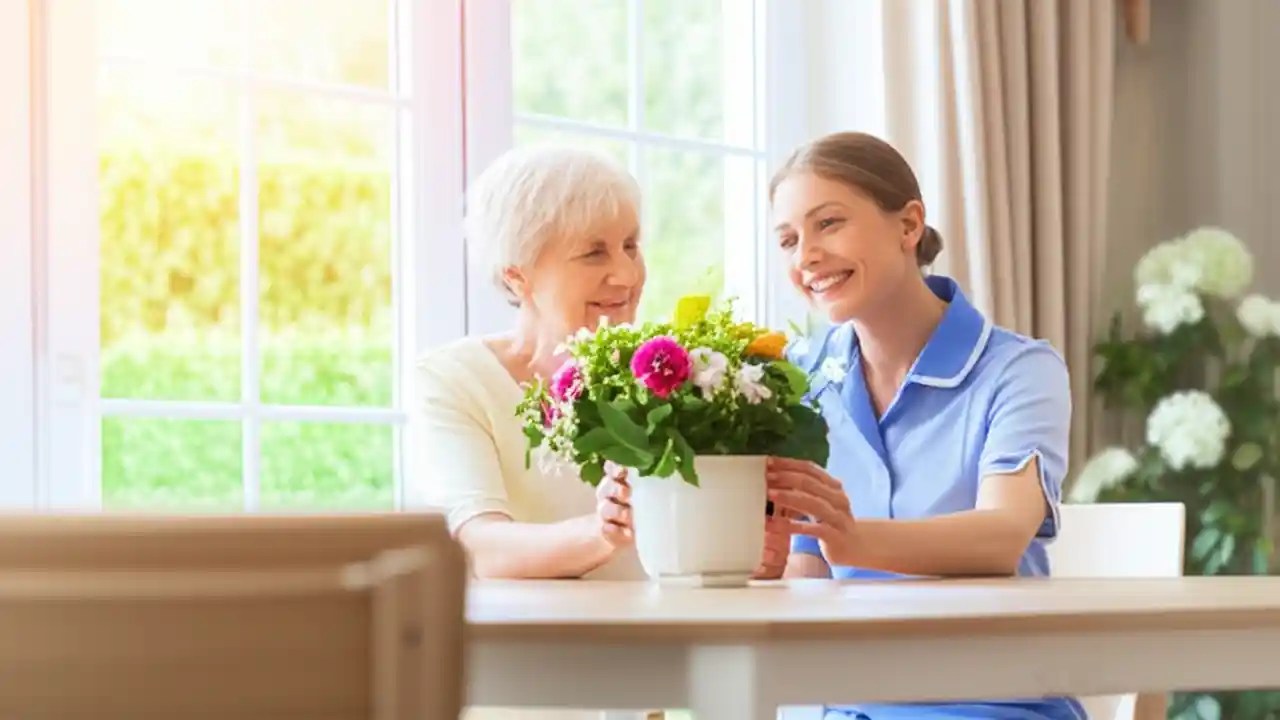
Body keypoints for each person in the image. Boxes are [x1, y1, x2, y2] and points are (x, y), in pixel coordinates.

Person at [764, 132, 1086, 720]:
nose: (804, 255)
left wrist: (851, 538)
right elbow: (805, 569)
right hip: (845, 706)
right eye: (787, 239)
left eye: (828, 223)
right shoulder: (800, 378)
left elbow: (1002, 534)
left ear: (909, 224)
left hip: (992, 701)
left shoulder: (1018, 370)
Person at [407, 145, 645, 582]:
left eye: (630, 245)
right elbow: (480, 548)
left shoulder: (665, 375)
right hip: (527, 646)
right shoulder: (455, 379)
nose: (627, 275)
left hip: (663, 639)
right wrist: (602, 533)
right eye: (594, 253)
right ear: (517, 274)